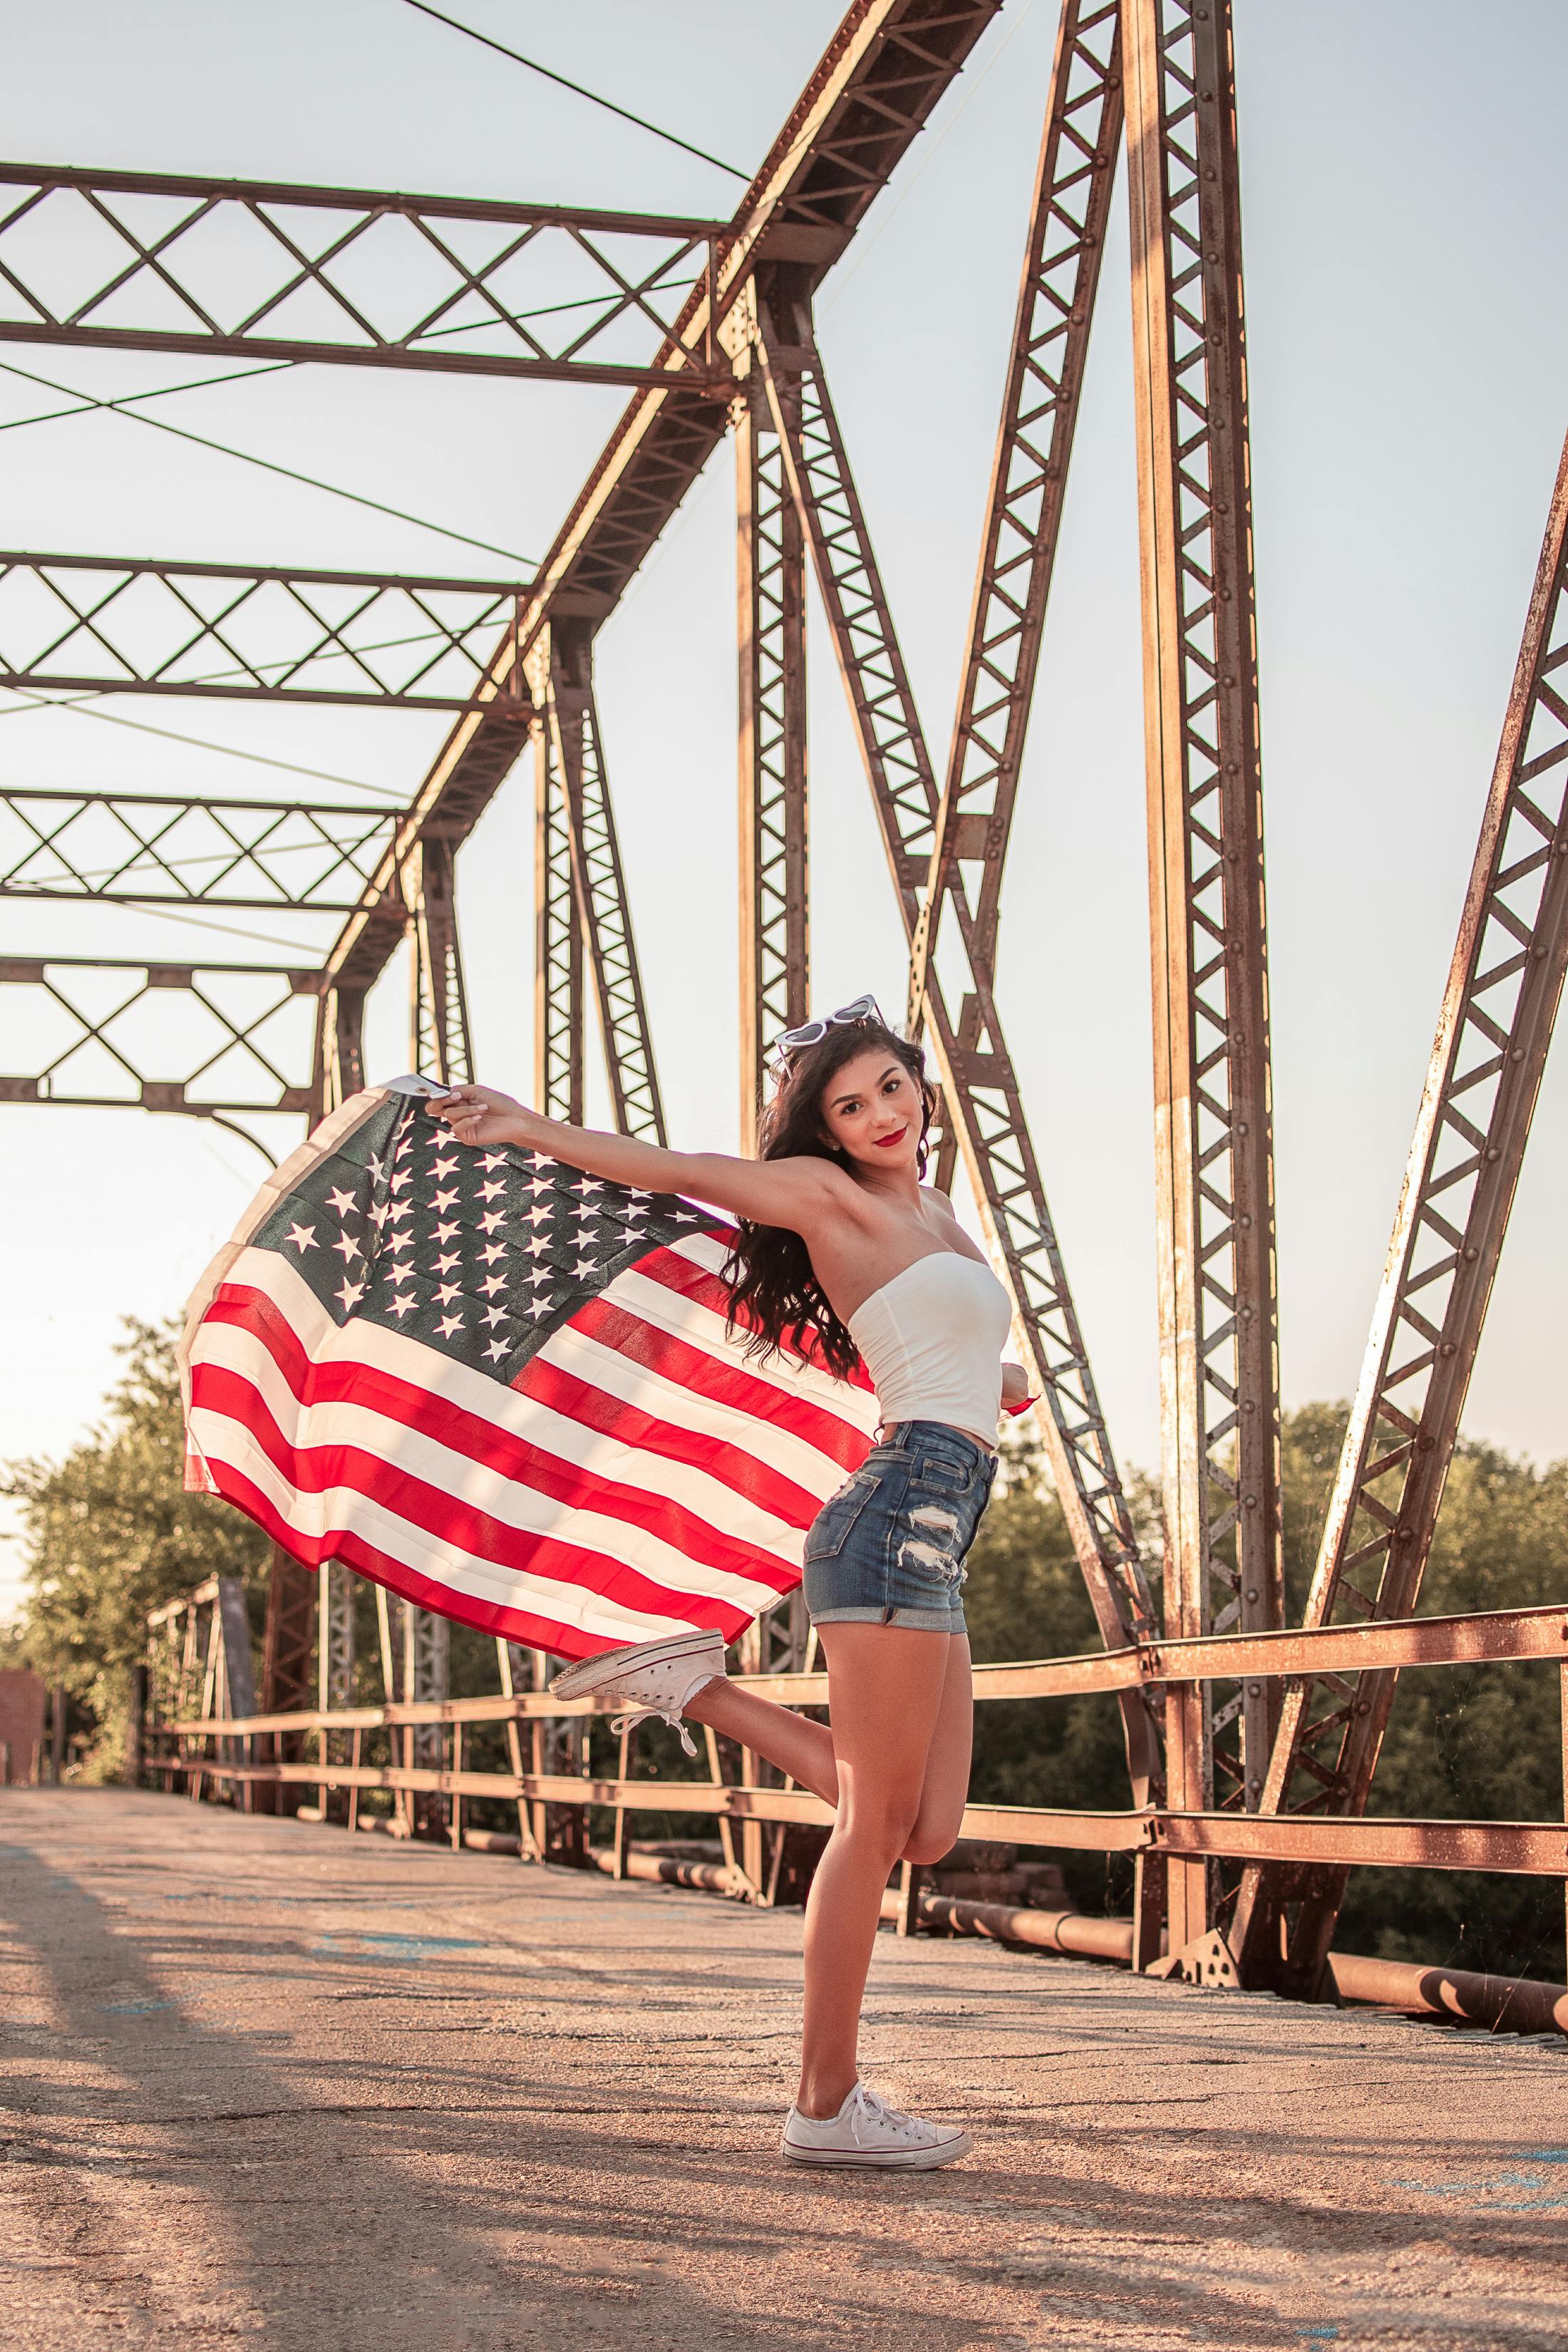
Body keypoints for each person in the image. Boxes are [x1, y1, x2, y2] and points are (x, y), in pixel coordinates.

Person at [435, 997, 1029, 2171]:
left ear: (919, 1085)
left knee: (926, 1829)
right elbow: (681, 1167)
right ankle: (826, 2103)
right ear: (823, 1130)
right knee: (872, 1825)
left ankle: (691, 1686)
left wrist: (993, 1376)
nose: (878, 1117)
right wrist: (530, 1126)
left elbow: (933, 1344)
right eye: (848, 1106)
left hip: (942, 1512)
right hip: (898, 1514)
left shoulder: (938, 1212)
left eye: (889, 1090)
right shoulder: (827, 1200)